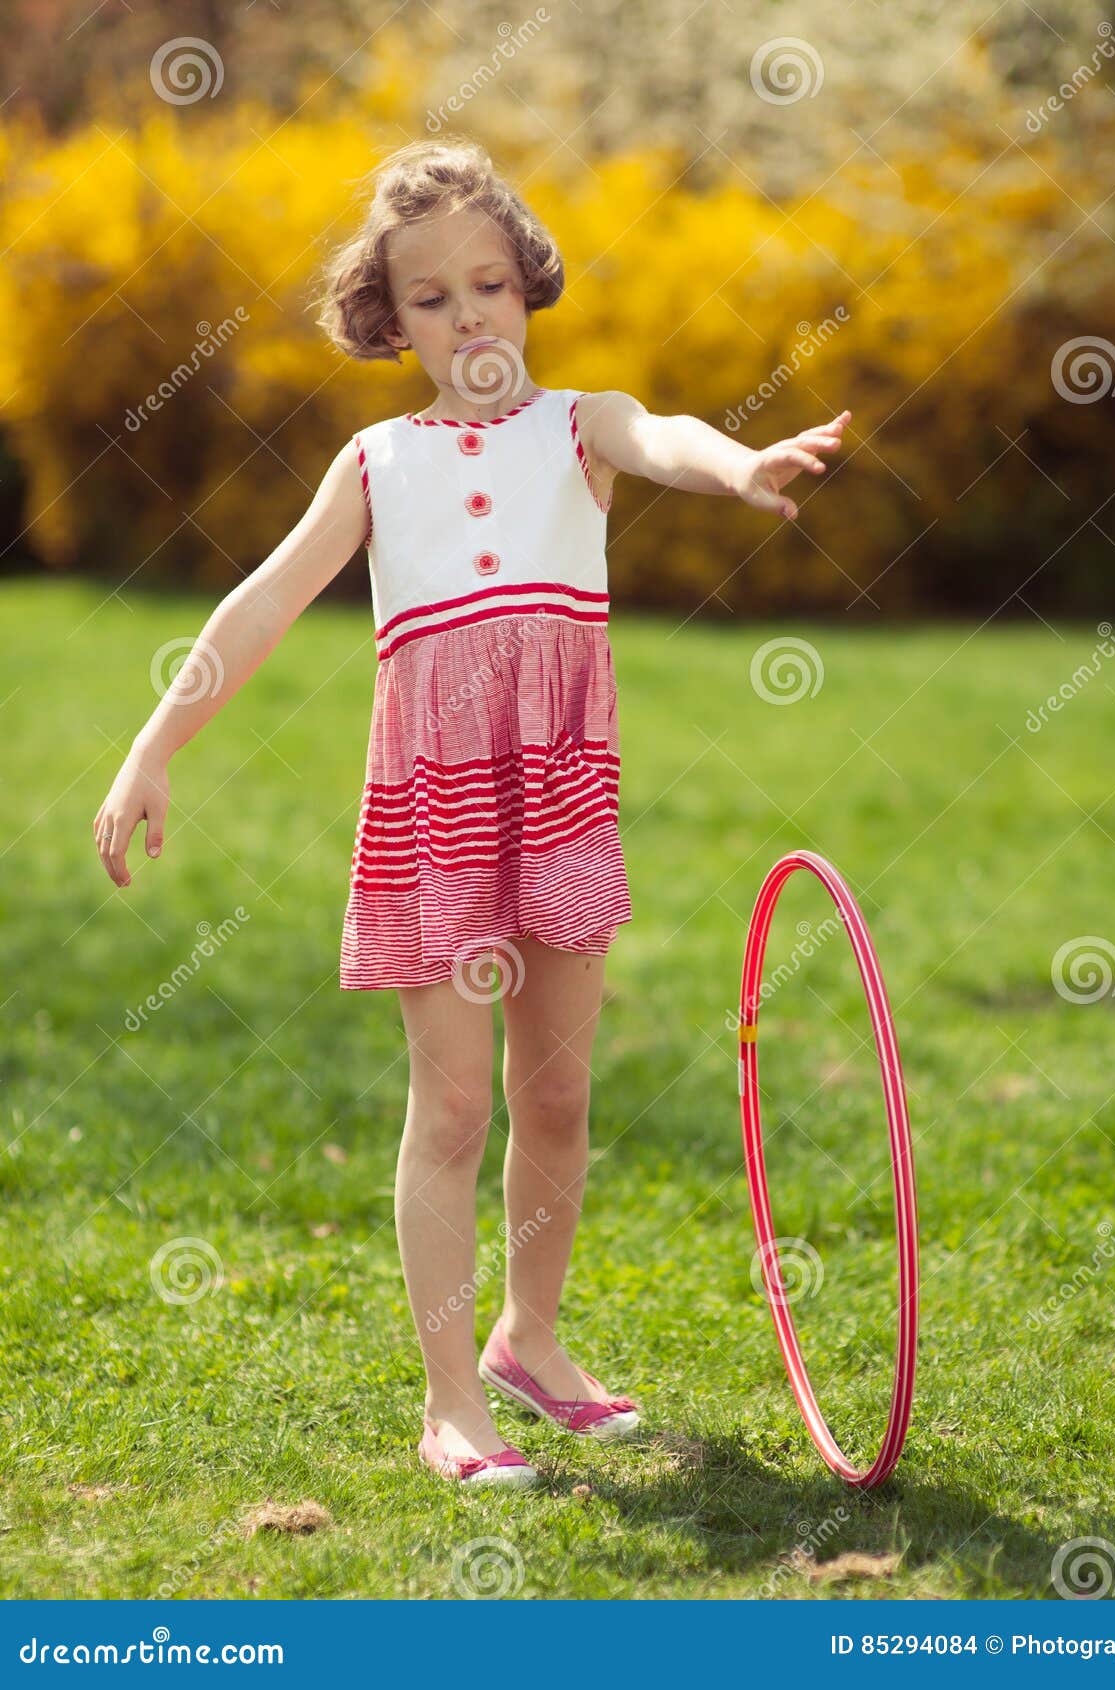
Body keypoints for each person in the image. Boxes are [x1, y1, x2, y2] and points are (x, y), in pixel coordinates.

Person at [93, 136, 850, 1491]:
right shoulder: (379, 460)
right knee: (451, 1104)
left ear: (528, 288)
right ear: (390, 321)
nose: (468, 316)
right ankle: (453, 1401)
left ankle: (530, 1341)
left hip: (556, 790)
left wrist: (737, 468)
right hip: (434, 805)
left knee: (556, 1093)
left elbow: (660, 437)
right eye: (430, 297)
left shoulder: (579, 425)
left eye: (490, 284)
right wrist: (157, 739)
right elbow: (260, 602)